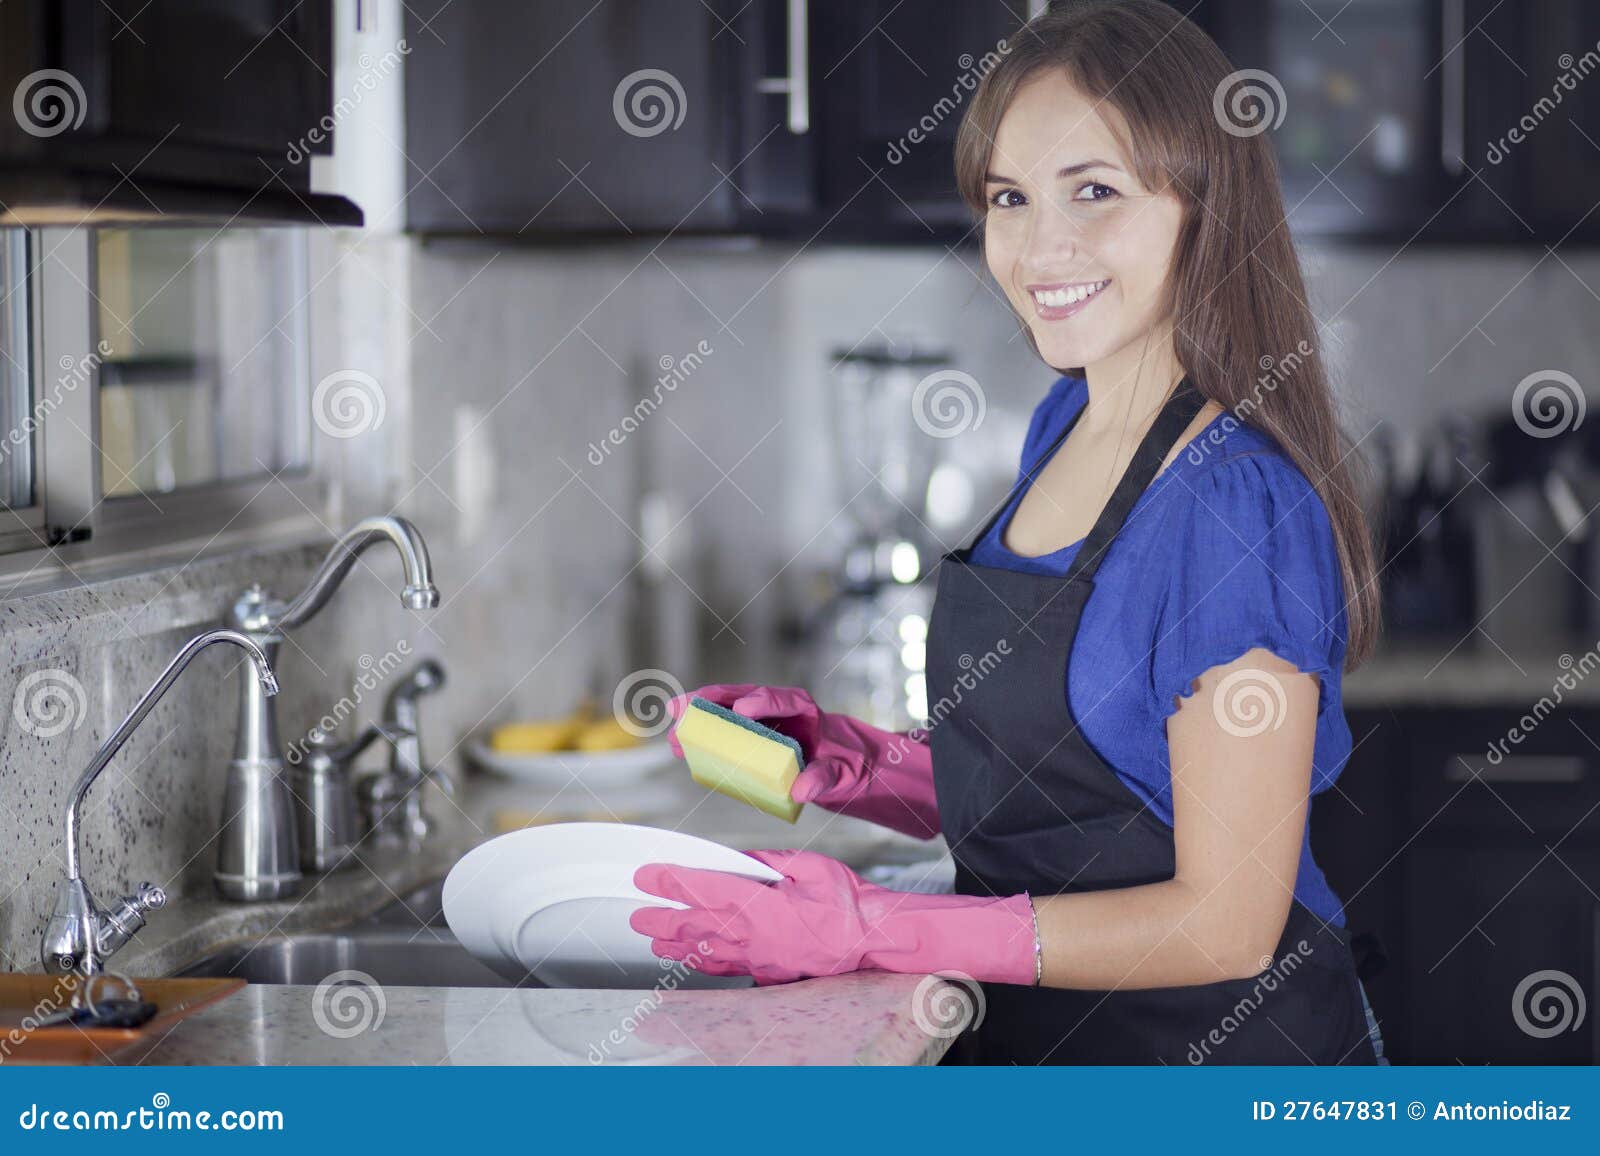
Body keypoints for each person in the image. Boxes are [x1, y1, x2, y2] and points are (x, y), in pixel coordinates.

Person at [630, 0, 1387, 1065]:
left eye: (1095, 192)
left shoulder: (1232, 507)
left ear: (1206, 206)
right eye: (1009, 198)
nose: (1041, 247)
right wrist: (858, 765)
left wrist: (871, 927)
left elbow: (1225, 921)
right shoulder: (1066, 423)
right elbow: (1079, 783)